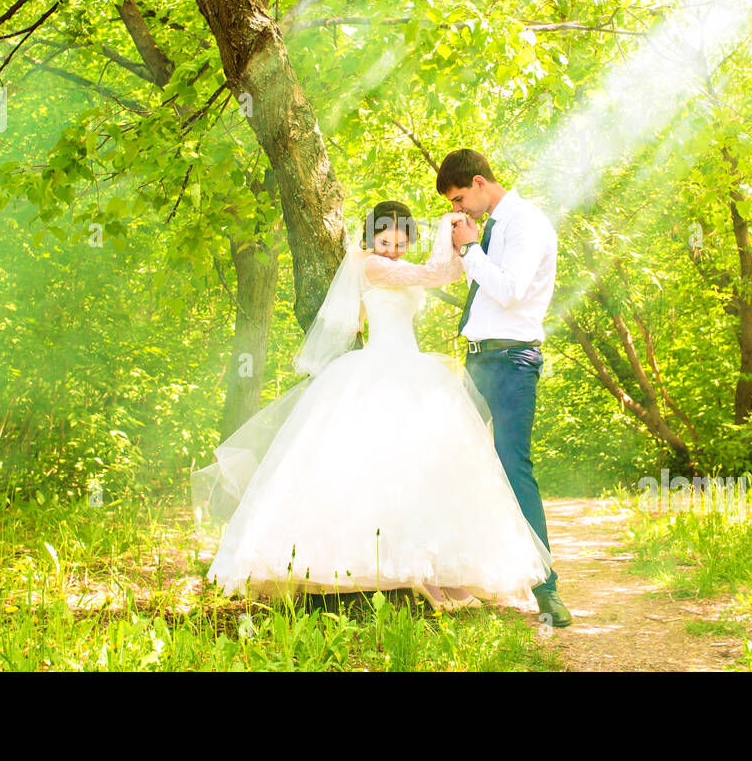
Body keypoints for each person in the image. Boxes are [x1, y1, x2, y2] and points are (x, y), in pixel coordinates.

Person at [191, 200, 553, 611]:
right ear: (370, 238)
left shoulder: (397, 266)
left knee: (426, 470)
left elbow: (448, 272)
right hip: (380, 367)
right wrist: (442, 230)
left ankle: (438, 573)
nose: (393, 249)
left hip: (412, 367)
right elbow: (434, 273)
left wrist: (457, 239)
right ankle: (417, 576)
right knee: (379, 467)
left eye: (400, 242)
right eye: (385, 240)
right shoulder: (370, 266)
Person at [438, 148, 572, 628]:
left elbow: (511, 290)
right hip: (477, 360)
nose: (458, 210)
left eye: (458, 199)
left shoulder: (525, 223)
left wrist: (471, 249)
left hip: (512, 361)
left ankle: (547, 592)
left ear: (479, 182)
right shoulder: (490, 226)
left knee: (514, 468)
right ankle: (460, 579)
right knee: (455, 462)